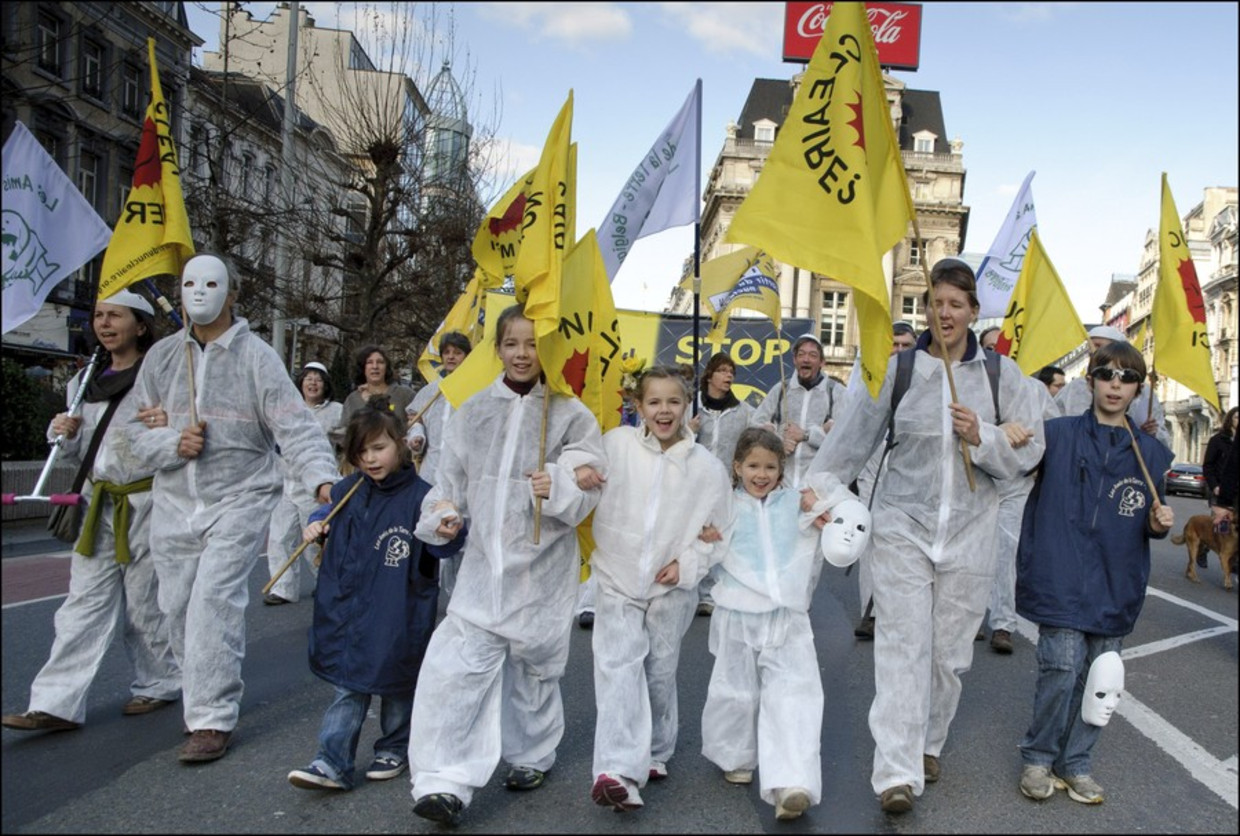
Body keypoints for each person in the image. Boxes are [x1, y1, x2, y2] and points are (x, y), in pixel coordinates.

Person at [806, 258, 1044, 814]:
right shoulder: (900, 370)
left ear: (973, 311)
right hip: (901, 529)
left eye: (956, 304)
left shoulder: (1002, 377)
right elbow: (849, 442)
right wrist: (820, 496)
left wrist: (982, 436)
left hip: (969, 534)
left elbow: (1029, 453)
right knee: (902, 649)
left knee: (947, 657)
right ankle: (895, 771)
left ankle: (927, 742)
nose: (945, 313)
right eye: (936, 303)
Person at [125, 253, 340, 764]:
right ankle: (197, 691)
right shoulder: (161, 359)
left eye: (210, 282)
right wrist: (171, 443)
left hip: (241, 497)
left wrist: (322, 480)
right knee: (177, 605)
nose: (199, 292)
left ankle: (211, 718)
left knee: (213, 602)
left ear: (232, 292)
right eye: (189, 284)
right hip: (174, 502)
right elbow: (132, 432)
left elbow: (295, 427)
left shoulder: (257, 358)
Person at [408, 303, 606, 827]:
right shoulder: (472, 411)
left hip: (543, 572)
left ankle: (531, 754)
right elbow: (446, 485)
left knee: (533, 671)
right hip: (482, 570)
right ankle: (443, 781)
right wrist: (444, 515)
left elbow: (592, 479)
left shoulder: (570, 413)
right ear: (496, 349)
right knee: (456, 670)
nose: (522, 354)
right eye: (512, 343)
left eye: (533, 344)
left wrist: (558, 484)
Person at [2, 290, 180, 733]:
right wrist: (62, 432)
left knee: (146, 604)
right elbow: (76, 452)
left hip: (149, 504)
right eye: (99, 315)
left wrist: (168, 425)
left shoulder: (162, 376)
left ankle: (159, 681)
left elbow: (182, 437)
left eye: (114, 315)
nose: (104, 323)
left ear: (141, 325)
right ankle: (54, 704)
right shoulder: (84, 381)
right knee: (81, 605)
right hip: (95, 504)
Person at [1015, 340, 1174, 805]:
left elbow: (1152, 518)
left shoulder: (1151, 454)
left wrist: (1159, 523)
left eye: (1127, 378)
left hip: (1115, 580)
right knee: (1062, 668)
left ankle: (1076, 763)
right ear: (1091, 382)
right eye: (1107, 375)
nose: (1115, 385)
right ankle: (1039, 757)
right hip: (1060, 571)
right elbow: (1010, 469)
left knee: (1100, 677)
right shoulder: (1056, 434)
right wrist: (1006, 436)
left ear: (1138, 389)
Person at [286, 404, 465, 792]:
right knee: (349, 683)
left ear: (400, 444)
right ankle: (332, 760)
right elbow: (326, 512)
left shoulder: (423, 497)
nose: (370, 458)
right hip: (349, 607)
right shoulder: (347, 491)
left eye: (379, 448)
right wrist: (316, 524)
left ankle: (395, 746)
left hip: (397, 608)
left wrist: (449, 531)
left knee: (397, 681)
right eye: (362, 451)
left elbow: (442, 540)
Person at [585, 366, 732, 813]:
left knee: (658, 671)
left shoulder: (706, 468)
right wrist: (576, 473)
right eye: (654, 402)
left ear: (687, 405)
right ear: (639, 406)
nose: (663, 411)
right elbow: (582, 474)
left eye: (673, 401)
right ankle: (616, 770)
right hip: (617, 575)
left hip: (670, 589)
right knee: (618, 667)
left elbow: (721, 533)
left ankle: (655, 749)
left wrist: (687, 564)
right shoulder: (616, 445)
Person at [700, 428, 845, 821]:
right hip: (737, 613)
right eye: (752, 466)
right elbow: (700, 540)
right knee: (736, 691)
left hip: (787, 616)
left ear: (782, 469)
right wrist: (704, 537)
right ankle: (735, 754)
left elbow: (840, 511)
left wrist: (818, 503)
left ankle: (792, 782)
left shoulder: (794, 503)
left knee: (794, 696)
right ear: (737, 466)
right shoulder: (725, 507)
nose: (761, 475)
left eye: (770, 467)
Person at [985, 369, 1061, 655]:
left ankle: (1003, 624)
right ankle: (970, 617)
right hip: (976, 481)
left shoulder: (1034, 389)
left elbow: (1053, 429)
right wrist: (996, 430)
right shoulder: (973, 380)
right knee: (971, 551)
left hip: (1016, 483)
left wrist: (1039, 464)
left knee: (1007, 551)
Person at [852, 320, 918, 640]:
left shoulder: (923, 382)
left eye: (906, 345)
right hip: (872, 473)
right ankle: (870, 611)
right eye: (894, 344)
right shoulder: (867, 379)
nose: (899, 351)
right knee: (870, 541)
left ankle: (902, 611)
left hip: (910, 476)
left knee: (905, 547)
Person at [263, 361, 343, 605]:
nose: (312, 383)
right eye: (308, 378)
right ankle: (282, 587)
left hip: (316, 485)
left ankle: (325, 582)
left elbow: (348, 440)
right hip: (285, 482)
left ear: (325, 384)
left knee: (314, 539)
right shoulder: (288, 409)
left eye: (318, 379)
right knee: (280, 538)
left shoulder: (336, 411)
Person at [688, 351, 754, 617]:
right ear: (709, 376)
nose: (728, 376)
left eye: (731, 372)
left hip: (726, 485)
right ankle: (688, 588)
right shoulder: (692, 407)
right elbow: (672, 437)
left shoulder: (743, 411)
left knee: (718, 537)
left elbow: (755, 437)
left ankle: (708, 594)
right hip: (693, 483)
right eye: (723, 371)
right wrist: (688, 431)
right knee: (692, 535)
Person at [405, 331, 471, 597]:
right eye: (447, 353)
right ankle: (427, 589)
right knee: (430, 526)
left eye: (458, 352)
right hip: (432, 471)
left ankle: (458, 593)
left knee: (458, 530)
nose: (451, 357)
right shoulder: (431, 391)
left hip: (463, 472)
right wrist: (417, 436)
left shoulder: (474, 390)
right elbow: (415, 418)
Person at [752, 334, 847, 489]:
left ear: (822, 362)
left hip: (819, 488)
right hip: (781, 486)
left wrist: (807, 435)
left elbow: (844, 440)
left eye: (812, 355)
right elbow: (755, 429)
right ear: (794, 360)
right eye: (801, 354)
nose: (806, 359)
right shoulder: (781, 390)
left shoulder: (836, 392)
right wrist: (776, 443)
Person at [1055, 325, 1171, 450]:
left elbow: (1162, 443)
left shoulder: (1145, 393)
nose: (1115, 385)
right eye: (1090, 346)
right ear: (1091, 383)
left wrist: (1149, 434)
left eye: (1098, 345)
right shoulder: (1074, 388)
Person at [333, 345, 416, 448]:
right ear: (363, 367)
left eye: (380, 362)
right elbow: (344, 435)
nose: (375, 366)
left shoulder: (404, 395)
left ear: (386, 367)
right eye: (369, 362)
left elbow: (418, 425)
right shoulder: (352, 399)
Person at [1203, 406, 1238, 508]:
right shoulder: (1217, 440)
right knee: (1220, 518)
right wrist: (1214, 486)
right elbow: (1208, 466)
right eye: (1237, 417)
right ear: (1230, 420)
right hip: (1221, 491)